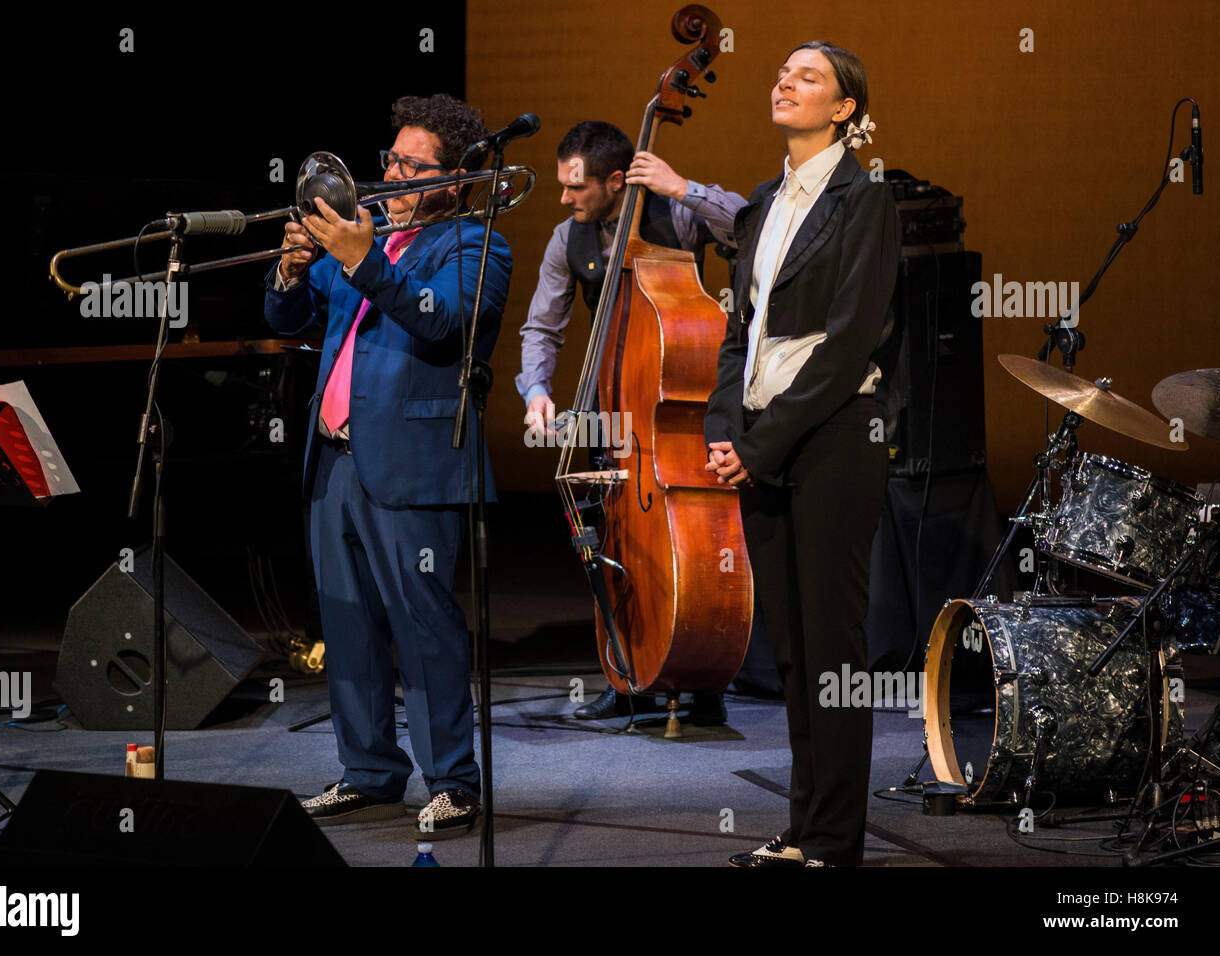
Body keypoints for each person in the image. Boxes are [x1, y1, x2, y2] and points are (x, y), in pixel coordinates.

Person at [265, 94, 512, 839]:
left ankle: (454, 783)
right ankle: (369, 772)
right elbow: (292, 322)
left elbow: (440, 321)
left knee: (423, 623)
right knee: (347, 624)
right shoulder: (362, 242)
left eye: (414, 165)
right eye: (392, 159)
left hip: (414, 463)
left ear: (457, 178)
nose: (393, 173)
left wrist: (359, 257)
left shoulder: (477, 242)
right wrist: (288, 272)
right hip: (335, 460)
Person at [704, 42, 901, 867]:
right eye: (782, 72)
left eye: (808, 76)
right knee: (789, 646)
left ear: (845, 109)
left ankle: (834, 840)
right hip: (760, 439)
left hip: (832, 438)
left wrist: (765, 443)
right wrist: (724, 431)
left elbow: (850, 340)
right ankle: (803, 827)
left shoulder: (867, 198)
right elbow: (736, 334)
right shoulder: (762, 203)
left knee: (832, 648)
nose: (785, 81)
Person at [516, 120, 745, 723]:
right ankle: (623, 670)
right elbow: (542, 326)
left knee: (689, 543)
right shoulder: (571, 238)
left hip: (674, 407)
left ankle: (701, 672)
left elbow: (748, 227)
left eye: (577, 188)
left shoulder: (678, 216)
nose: (565, 199)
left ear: (616, 181)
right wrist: (536, 390)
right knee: (612, 541)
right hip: (608, 410)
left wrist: (683, 186)